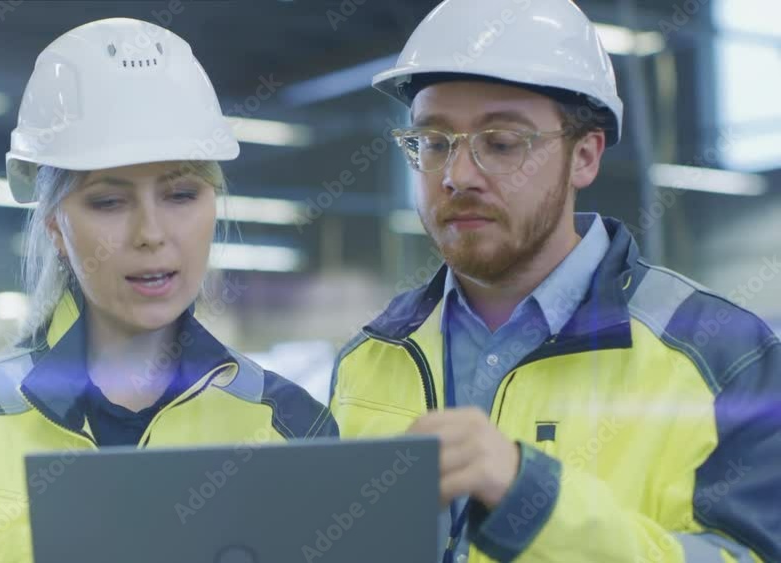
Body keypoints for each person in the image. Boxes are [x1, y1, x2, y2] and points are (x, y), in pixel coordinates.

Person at [0, 18, 336, 563]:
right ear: (56, 226)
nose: (152, 234)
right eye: (109, 201)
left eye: (181, 194)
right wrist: (55, 540)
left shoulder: (291, 423)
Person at [329, 1, 780, 562]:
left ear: (584, 156)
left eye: (501, 142)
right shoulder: (369, 359)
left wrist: (533, 500)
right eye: (434, 142)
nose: (456, 176)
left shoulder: (724, 354)